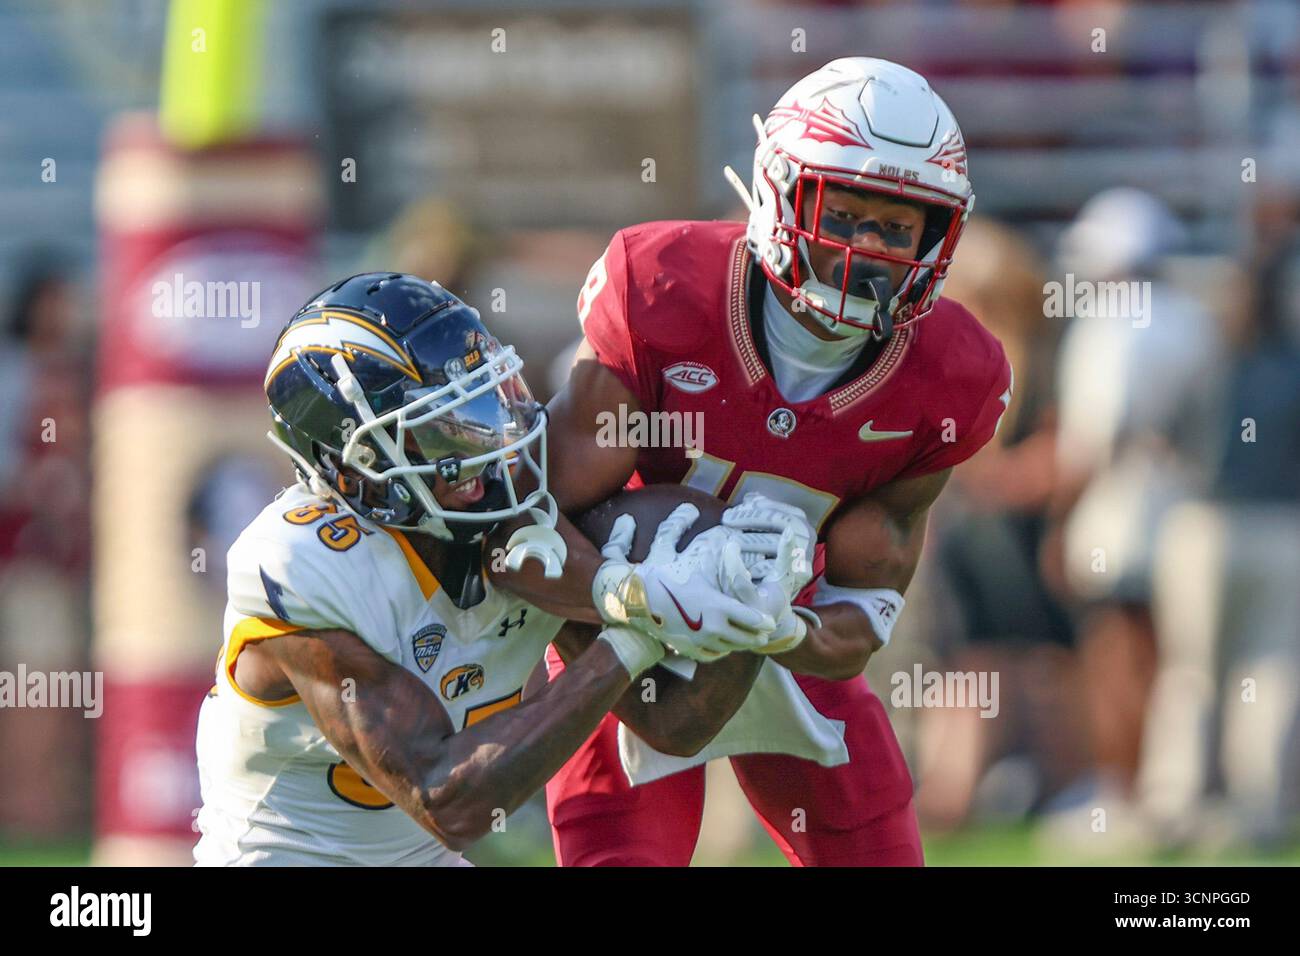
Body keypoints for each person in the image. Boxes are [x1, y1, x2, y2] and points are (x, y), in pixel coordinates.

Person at [490, 58, 1013, 866]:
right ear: (780, 191)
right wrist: (626, 595)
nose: (867, 248)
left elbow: (864, 607)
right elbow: (529, 526)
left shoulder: (951, 374)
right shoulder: (663, 288)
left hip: (777, 624)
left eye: (898, 226)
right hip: (622, 622)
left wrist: (778, 625)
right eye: (844, 211)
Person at [193, 273, 785, 865]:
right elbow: (448, 799)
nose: (484, 450)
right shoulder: (307, 565)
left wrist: (753, 604)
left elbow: (673, 724)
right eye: (438, 431)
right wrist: (630, 640)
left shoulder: (508, 525)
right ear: (356, 459)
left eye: (482, 408)